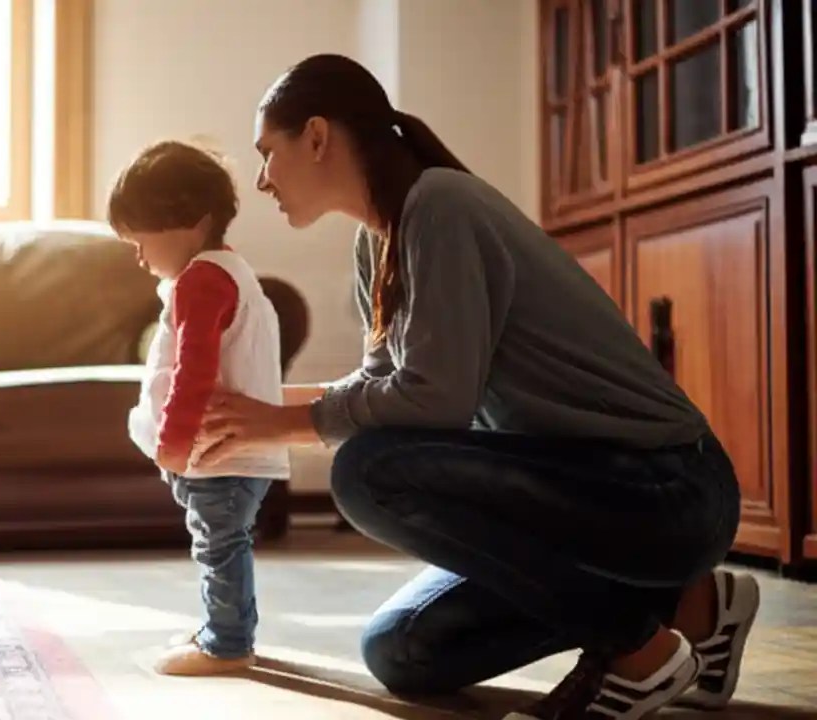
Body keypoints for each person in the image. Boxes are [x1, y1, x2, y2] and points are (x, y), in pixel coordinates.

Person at [193, 54, 758, 719]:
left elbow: (436, 400)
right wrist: (250, 410)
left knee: (367, 474)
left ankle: (636, 651)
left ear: (317, 138)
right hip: (581, 495)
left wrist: (279, 424)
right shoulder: (376, 245)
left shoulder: (441, 204)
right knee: (400, 652)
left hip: (669, 489)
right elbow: (382, 386)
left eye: (267, 153)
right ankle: (694, 606)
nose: (261, 179)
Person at [109, 139, 290, 676]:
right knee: (221, 542)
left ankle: (228, 644)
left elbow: (195, 369)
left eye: (140, 242)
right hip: (225, 453)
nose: (138, 257)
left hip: (216, 453)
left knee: (219, 546)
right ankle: (225, 627)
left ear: (192, 223)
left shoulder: (203, 281)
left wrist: (174, 440)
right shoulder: (224, 271)